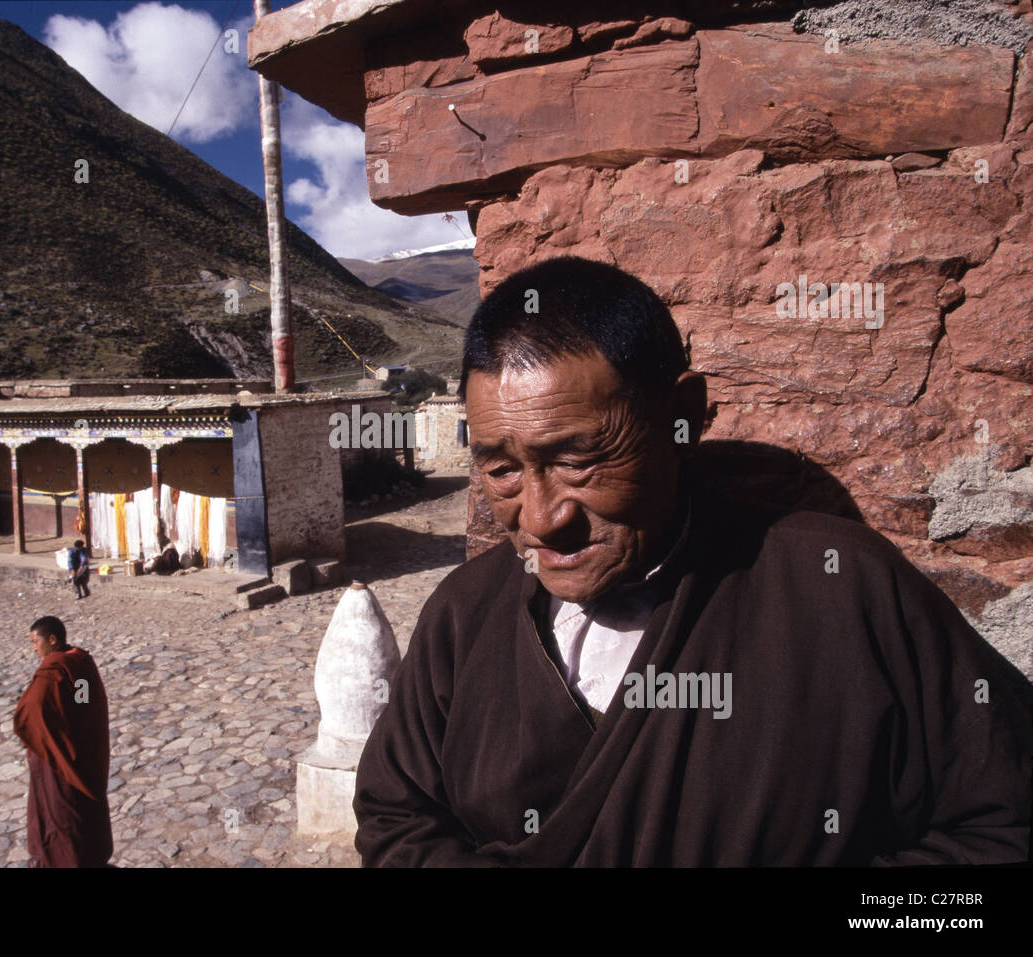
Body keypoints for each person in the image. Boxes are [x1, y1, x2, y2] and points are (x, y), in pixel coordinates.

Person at [353, 256, 1033, 867]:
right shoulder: (465, 614)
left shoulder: (844, 590)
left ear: (682, 418)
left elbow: (1001, 832)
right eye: (502, 470)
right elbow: (395, 816)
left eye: (579, 459)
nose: (540, 518)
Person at [14, 615, 112, 867]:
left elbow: (29, 711)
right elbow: (84, 701)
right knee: (82, 808)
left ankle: (63, 860)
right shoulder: (79, 660)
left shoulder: (53, 670)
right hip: (83, 748)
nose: (34, 648)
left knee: (61, 811)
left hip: (57, 755)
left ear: (52, 639)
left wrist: (45, 737)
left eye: (35, 642)